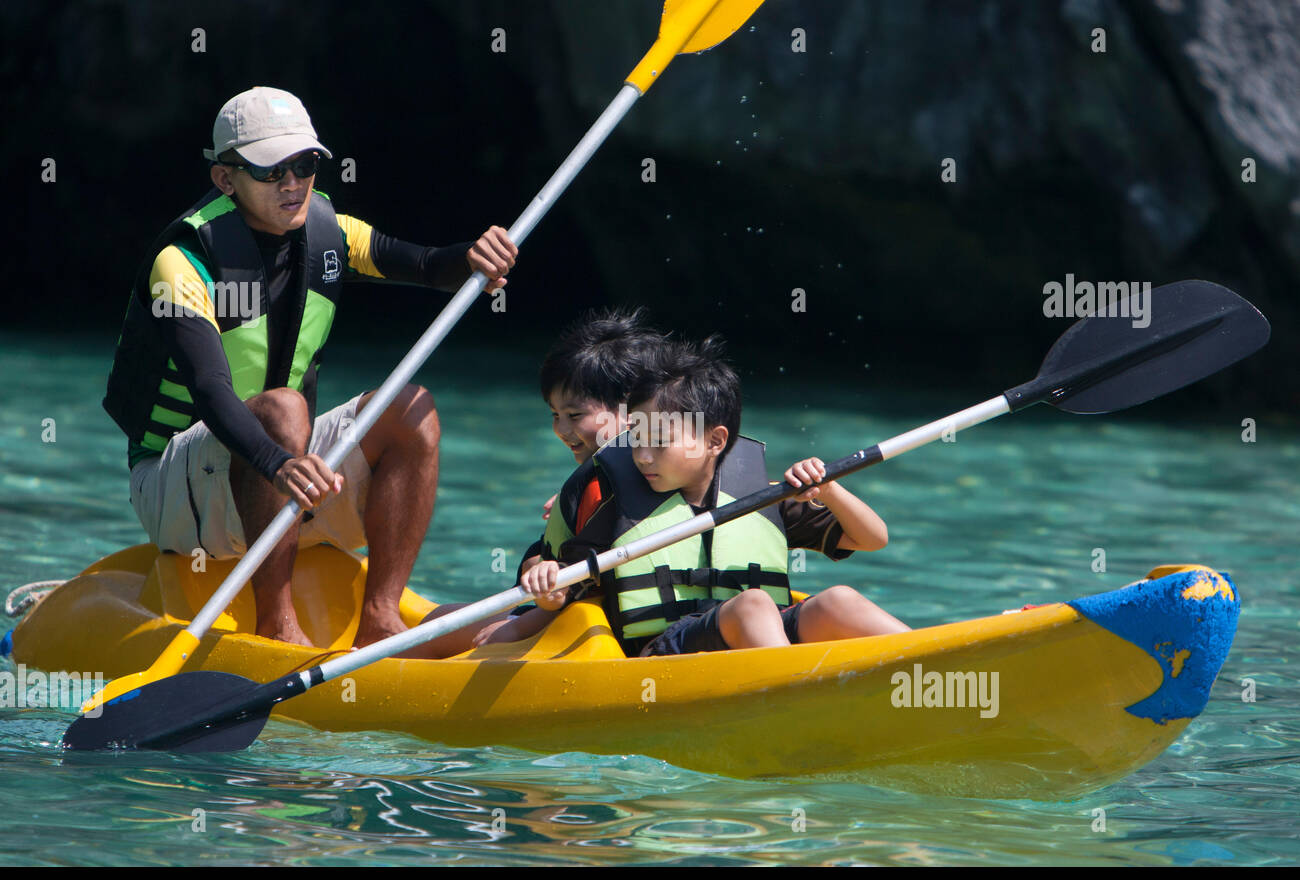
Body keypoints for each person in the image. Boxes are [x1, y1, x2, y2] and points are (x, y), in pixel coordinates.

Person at [103, 86, 518, 648]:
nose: (292, 183)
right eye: (271, 170)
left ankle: (380, 617)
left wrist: (472, 258)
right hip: (175, 491)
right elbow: (209, 388)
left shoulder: (330, 233)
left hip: (282, 472)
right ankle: (277, 625)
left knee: (410, 409)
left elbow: (424, 263)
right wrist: (279, 464)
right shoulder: (181, 263)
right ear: (225, 178)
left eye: (304, 164)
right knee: (284, 407)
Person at [487, 334, 910, 656]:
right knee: (752, 604)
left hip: (755, 637)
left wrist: (829, 489)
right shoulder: (614, 504)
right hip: (665, 652)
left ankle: (930, 669)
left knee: (837, 600)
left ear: (715, 441)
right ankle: (794, 694)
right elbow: (560, 591)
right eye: (637, 440)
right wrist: (547, 582)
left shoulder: (760, 498)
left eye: (659, 442)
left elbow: (872, 538)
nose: (643, 456)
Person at [412, 309, 667, 657]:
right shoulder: (681, 471)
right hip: (625, 626)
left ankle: (371, 672)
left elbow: (578, 591)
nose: (562, 430)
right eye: (555, 415)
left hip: (582, 634)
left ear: (632, 411)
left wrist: (518, 626)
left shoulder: (603, 488)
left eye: (574, 415)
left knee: (434, 626)